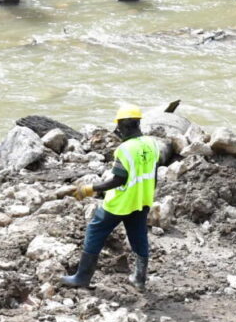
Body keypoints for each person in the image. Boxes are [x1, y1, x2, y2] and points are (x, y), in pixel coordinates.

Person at [61, 106, 176, 290]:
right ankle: (139, 278)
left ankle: (82, 278)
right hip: (142, 200)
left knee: (95, 231)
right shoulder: (152, 143)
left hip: (120, 203)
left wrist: (89, 189)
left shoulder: (124, 149)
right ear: (138, 123)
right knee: (139, 236)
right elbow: (153, 175)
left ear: (123, 125)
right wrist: (148, 194)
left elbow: (118, 179)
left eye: (119, 127)